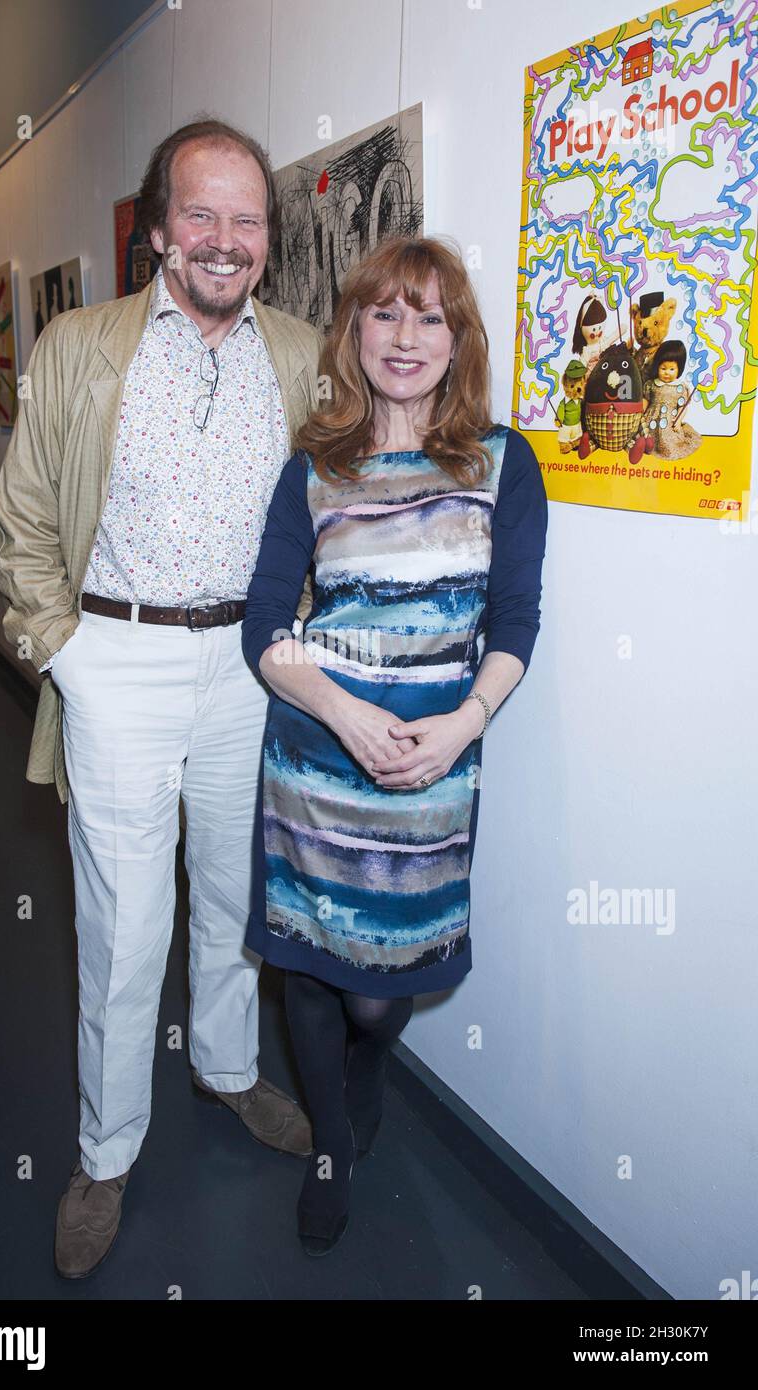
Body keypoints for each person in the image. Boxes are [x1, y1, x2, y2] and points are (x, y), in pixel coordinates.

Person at [0, 118, 323, 1280]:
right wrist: (69, 658)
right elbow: (25, 522)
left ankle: (228, 1071)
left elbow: (336, 499)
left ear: (269, 241)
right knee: (126, 926)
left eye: (247, 219)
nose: (225, 240)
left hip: (246, 666)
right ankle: (106, 1148)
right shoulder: (83, 346)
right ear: (155, 229)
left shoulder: (297, 352)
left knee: (236, 898)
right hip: (116, 662)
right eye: (202, 214)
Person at [241, 234, 548, 1255]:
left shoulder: (503, 464)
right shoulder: (312, 470)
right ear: (353, 331)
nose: (406, 336)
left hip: (429, 773)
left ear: (457, 338)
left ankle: (364, 1074)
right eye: (385, 312)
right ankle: (330, 1143)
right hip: (317, 761)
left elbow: (514, 625)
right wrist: (342, 711)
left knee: (379, 995)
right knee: (312, 967)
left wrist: (462, 725)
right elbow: (265, 631)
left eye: (431, 316)